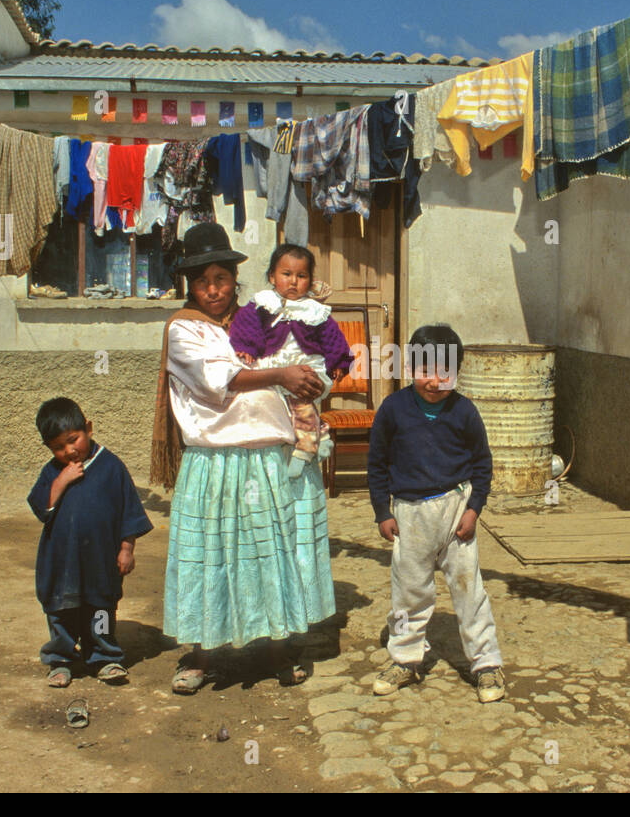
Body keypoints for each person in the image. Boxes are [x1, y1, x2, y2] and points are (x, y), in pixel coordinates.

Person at [150, 223, 336, 693]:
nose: (213, 291)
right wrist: (282, 374)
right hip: (216, 463)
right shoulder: (183, 330)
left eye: (222, 279)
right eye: (202, 281)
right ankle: (201, 652)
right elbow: (219, 378)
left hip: (270, 457)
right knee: (212, 557)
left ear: (236, 280)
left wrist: (309, 380)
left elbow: (308, 349)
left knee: (269, 557)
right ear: (189, 286)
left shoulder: (261, 318)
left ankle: (277, 646)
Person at [366, 325, 506, 703]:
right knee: (408, 592)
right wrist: (383, 511)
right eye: (426, 370)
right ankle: (405, 659)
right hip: (409, 514)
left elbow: (482, 465)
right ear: (410, 367)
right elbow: (377, 464)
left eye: (446, 372)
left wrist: (474, 509)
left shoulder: (464, 411)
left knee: (468, 590)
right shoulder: (394, 410)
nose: (435, 381)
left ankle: (486, 664)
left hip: (455, 509)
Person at [27, 397, 152, 687]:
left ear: (89, 429)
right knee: (62, 610)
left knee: (101, 610)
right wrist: (62, 481)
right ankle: (61, 660)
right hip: (62, 561)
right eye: (59, 447)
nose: (70, 451)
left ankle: (105, 657)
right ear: (49, 448)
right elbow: (40, 508)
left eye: (74, 440)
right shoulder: (52, 471)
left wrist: (126, 548)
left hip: (100, 559)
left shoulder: (111, 467)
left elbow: (128, 511)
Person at [229, 244, 355, 478]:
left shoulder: (315, 310)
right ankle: (320, 434)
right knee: (272, 403)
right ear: (272, 277)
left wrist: (338, 362)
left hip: (306, 363)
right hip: (274, 364)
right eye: (286, 274)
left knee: (301, 400)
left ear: (310, 280)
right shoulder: (262, 303)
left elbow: (332, 337)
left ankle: (306, 447)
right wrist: (246, 348)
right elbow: (245, 326)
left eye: (301, 276)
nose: (294, 281)